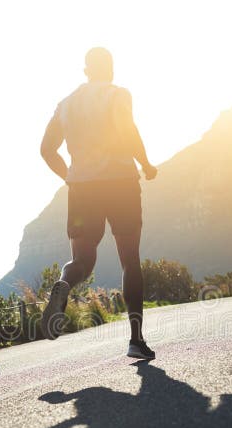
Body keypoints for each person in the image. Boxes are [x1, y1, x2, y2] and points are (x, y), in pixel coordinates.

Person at [40, 47, 158, 359]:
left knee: (82, 262)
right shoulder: (118, 94)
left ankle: (64, 284)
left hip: (82, 188)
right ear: (111, 68)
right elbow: (127, 130)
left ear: (85, 70)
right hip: (120, 182)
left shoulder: (66, 104)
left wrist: (70, 176)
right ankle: (135, 340)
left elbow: (46, 149)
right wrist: (145, 163)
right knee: (130, 261)